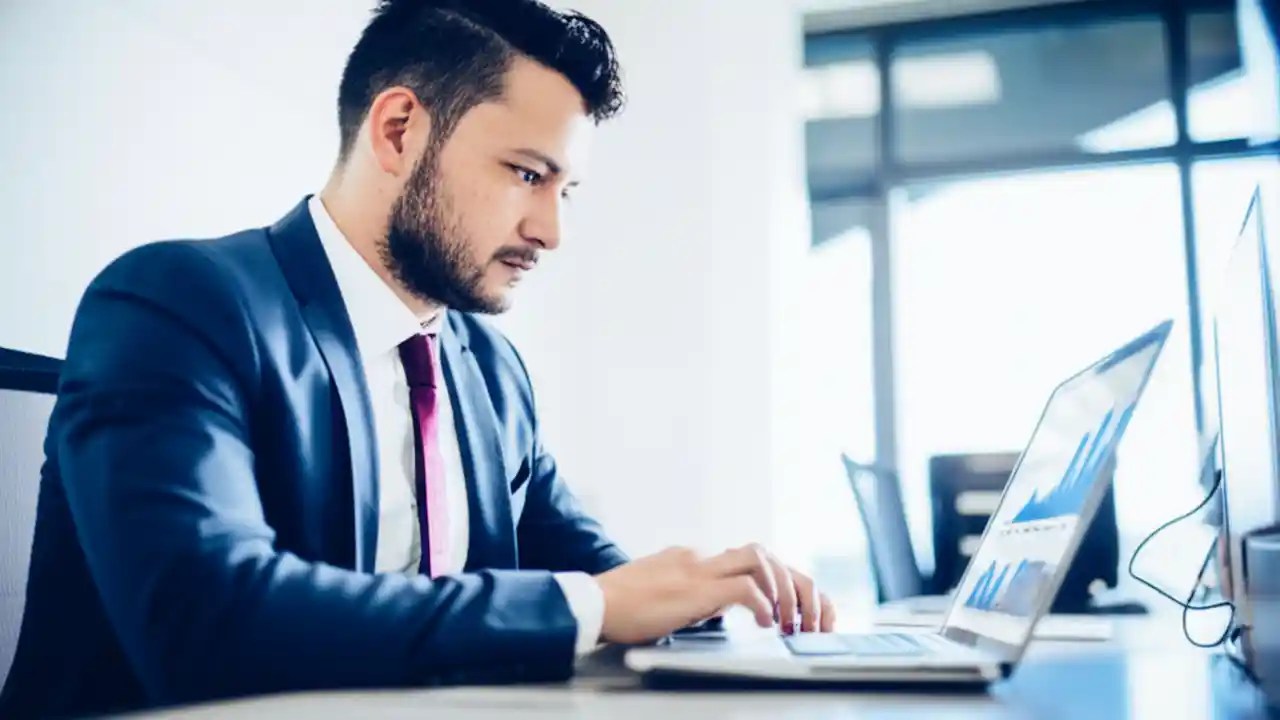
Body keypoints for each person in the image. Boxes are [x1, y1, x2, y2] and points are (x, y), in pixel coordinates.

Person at [0, 1, 835, 717]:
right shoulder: (177, 304)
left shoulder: (491, 372)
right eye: (527, 174)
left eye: (566, 190)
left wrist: (707, 599)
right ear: (398, 131)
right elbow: (206, 622)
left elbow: (599, 577)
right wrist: (595, 603)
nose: (551, 231)